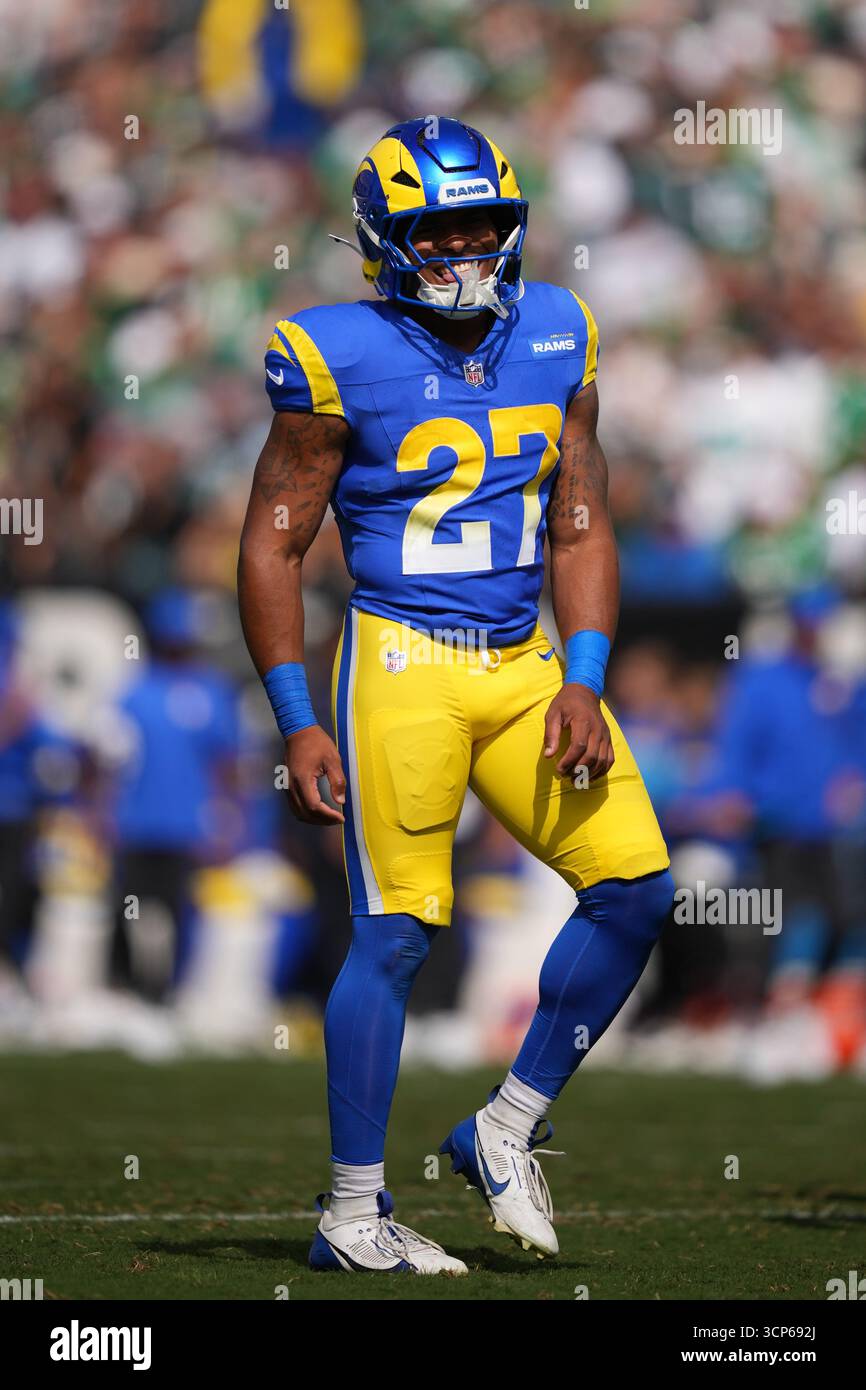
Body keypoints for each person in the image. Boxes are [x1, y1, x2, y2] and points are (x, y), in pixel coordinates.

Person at [238, 118, 673, 1276]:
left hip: (525, 657)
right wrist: (295, 713)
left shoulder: (558, 330)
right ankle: (350, 1212)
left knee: (634, 888)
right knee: (394, 936)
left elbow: (578, 512)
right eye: (439, 228)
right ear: (385, 239)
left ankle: (503, 1124)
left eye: (484, 221)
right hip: (401, 662)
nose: (467, 245)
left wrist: (583, 673)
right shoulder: (331, 353)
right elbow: (272, 545)